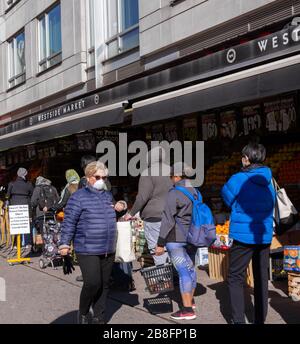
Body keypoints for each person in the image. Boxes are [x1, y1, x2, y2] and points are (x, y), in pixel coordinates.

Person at [59, 161, 127, 324]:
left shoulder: (107, 196)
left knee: (104, 285)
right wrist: (64, 244)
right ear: (89, 178)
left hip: (107, 247)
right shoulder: (78, 197)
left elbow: (111, 216)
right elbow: (69, 222)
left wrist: (121, 206)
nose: (102, 180)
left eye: (104, 177)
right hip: (87, 247)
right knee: (92, 282)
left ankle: (99, 317)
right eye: (98, 177)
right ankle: (83, 313)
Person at [221, 143, 275, 324]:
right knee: (261, 277)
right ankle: (260, 320)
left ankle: (238, 321)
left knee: (235, 277)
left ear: (246, 159)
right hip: (264, 235)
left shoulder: (238, 178)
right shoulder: (269, 178)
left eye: (242, 157)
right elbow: (272, 204)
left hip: (243, 237)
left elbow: (226, 198)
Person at [155, 162, 198, 321]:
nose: (171, 179)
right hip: (192, 238)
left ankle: (187, 310)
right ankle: (190, 301)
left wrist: (160, 243)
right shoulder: (195, 192)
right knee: (190, 269)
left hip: (175, 239)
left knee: (183, 272)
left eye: (171, 176)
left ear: (177, 176)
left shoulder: (174, 193)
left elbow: (167, 220)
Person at [124, 146, 172, 266]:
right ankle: (174, 277)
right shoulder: (172, 170)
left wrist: (130, 213)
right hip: (172, 216)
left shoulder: (148, 173)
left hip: (154, 216)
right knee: (170, 247)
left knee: (157, 249)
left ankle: (163, 281)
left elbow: (142, 197)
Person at [6, 168, 34, 248]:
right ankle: (28, 243)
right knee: (26, 224)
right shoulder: (29, 184)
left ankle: (15, 244)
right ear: (25, 174)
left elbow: (7, 195)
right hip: (26, 207)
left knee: (16, 225)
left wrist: (8, 201)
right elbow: (32, 195)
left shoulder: (11, 184)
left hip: (14, 207)